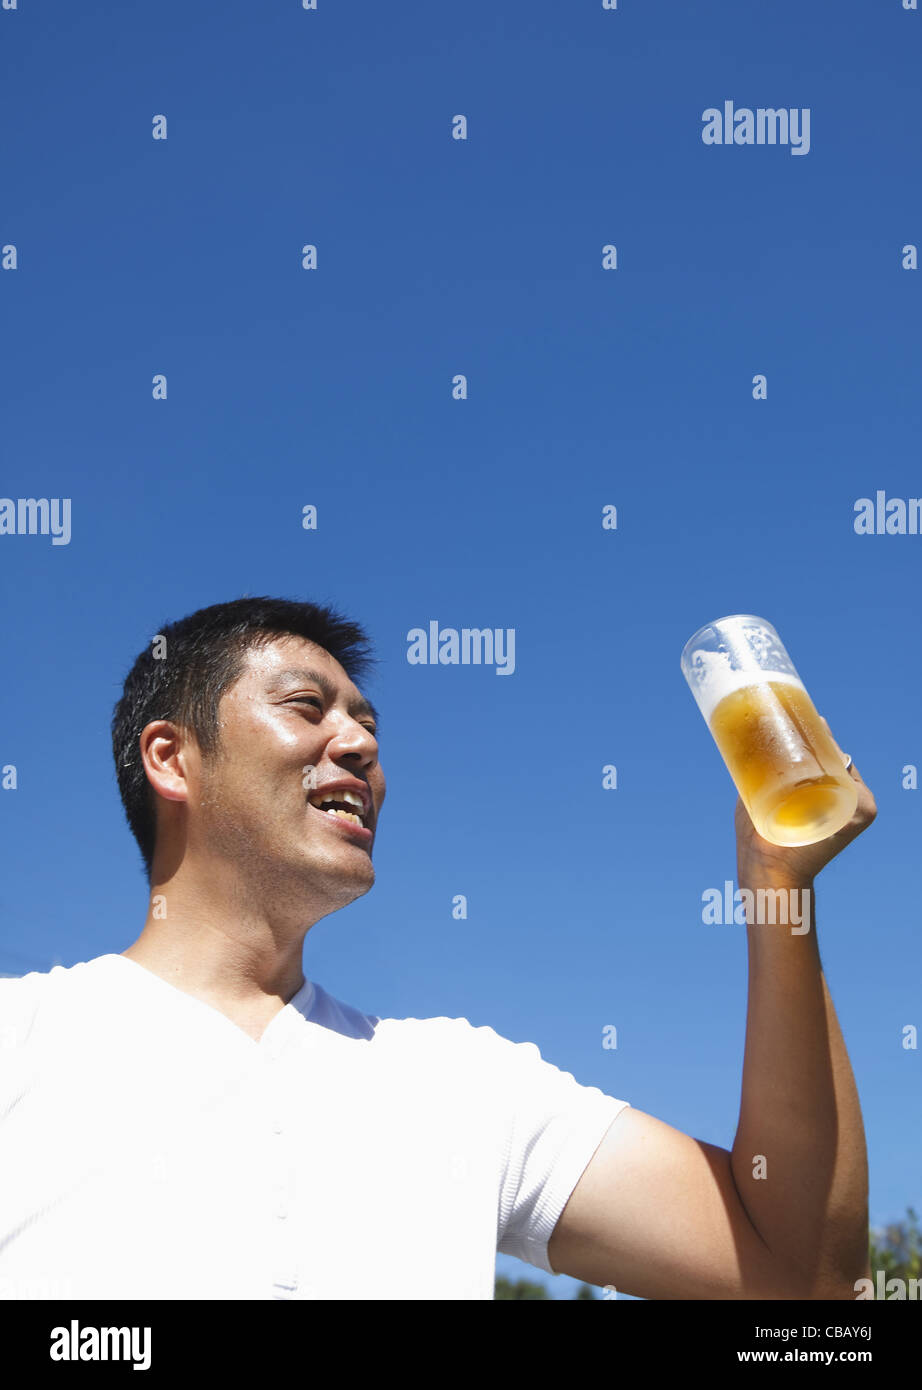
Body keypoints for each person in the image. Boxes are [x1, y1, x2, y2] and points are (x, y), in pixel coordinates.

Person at [0, 597, 876, 1301]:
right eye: (308, 707)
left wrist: (777, 888)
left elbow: (800, 1280)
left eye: (367, 723)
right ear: (172, 759)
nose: (361, 744)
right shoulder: (23, 1038)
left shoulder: (462, 1083)